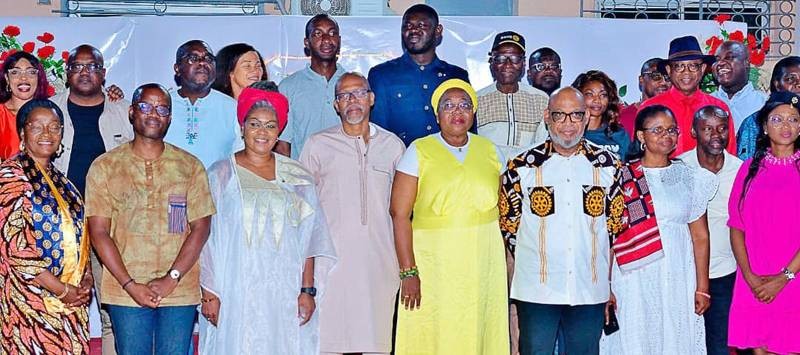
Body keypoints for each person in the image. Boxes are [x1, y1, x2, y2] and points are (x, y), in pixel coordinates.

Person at [198, 84, 336, 354]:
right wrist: (209, 292)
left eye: (270, 126)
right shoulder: (221, 174)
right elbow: (206, 239)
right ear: (242, 127)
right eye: (255, 124)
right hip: (234, 287)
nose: (262, 132)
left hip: (284, 289)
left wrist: (307, 290)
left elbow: (309, 237)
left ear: (279, 131)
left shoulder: (298, 176)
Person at [86, 83, 215, 355]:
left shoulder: (189, 166)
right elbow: (98, 232)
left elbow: (201, 227)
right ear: (132, 112)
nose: (153, 114)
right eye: (145, 106)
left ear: (170, 118)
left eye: (162, 108)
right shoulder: (105, 166)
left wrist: (172, 278)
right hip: (125, 291)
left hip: (178, 289)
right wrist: (130, 285)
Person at [390, 79, 508, 354]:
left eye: (464, 105)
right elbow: (399, 214)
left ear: (474, 113)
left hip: (483, 262)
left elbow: (503, 210)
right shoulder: (419, 150)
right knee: (435, 330)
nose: (457, 112)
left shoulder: (491, 151)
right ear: (437, 114)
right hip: (434, 264)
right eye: (448, 105)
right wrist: (409, 271)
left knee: (478, 328)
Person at [499, 87, 621, 355]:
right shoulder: (521, 166)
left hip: (589, 288)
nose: (568, 124)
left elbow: (613, 228)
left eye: (576, 115)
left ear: (586, 117)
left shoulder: (609, 165)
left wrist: (608, 284)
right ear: (547, 117)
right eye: (559, 115)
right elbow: (509, 228)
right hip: (537, 291)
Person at [300, 72, 403, 355]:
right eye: (344, 96)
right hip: (330, 267)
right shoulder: (317, 145)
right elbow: (303, 215)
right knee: (328, 344)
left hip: (380, 266)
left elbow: (403, 212)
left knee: (377, 344)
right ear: (336, 105)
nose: (352, 100)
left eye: (358, 93)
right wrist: (306, 281)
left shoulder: (393, 146)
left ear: (371, 99)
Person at [600, 104, 716, 354]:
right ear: (641, 136)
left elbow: (700, 236)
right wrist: (605, 285)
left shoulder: (690, 177)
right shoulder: (620, 177)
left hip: (677, 272)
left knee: (675, 334)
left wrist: (702, 287)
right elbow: (609, 237)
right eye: (658, 130)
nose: (667, 136)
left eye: (672, 130)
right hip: (632, 275)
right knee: (635, 333)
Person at [50, 44, 134, 355]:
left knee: (112, 310)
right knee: (58, 305)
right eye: (77, 66)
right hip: (59, 229)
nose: (85, 72)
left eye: (92, 66)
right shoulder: (50, 109)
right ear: (67, 72)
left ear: (104, 73)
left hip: (110, 227)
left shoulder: (124, 111)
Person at [0, 99, 93, 354]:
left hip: (69, 302)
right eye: (37, 126)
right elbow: (15, 247)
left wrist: (86, 278)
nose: (46, 133)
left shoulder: (62, 182)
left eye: (54, 126)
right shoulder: (9, 176)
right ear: (22, 132)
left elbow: (79, 235)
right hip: (28, 303)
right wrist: (60, 290)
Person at [727, 91, 800, 355]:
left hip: (794, 278)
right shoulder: (749, 169)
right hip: (754, 279)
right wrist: (749, 277)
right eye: (777, 119)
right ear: (765, 126)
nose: (785, 125)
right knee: (760, 348)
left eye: (793, 119)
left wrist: (784, 277)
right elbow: (736, 227)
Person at [678, 106, 743, 355]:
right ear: (694, 132)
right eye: (707, 129)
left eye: (722, 128)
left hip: (725, 273)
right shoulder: (680, 168)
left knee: (719, 346)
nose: (716, 135)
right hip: (685, 274)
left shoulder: (740, 170)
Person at [369, 4, 470, 146]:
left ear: (438, 31)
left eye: (421, 25)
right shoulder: (382, 75)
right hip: (400, 158)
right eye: (408, 26)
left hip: (448, 158)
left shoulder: (456, 76)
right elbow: (377, 134)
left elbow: (468, 133)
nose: (413, 30)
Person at [640, 35, 736, 156]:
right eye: (679, 66)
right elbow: (639, 155)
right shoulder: (650, 108)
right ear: (669, 70)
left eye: (693, 66)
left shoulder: (718, 108)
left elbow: (730, 156)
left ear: (703, 69)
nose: (686, 72)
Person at [275, 14, 346, 159]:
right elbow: (283, 146)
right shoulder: (288, 87)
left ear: (339, 41)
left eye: (332, 33)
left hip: (346, 171)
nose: (326, 39)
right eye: (318, 33)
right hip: (303, 171)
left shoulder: (353, 84)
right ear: (307, 43)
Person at [165, 39, 241, 168]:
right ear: (177, 68)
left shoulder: (232, 107)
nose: (202, 63)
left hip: (215, 181)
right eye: (193, 58)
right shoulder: (162, 104)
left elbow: (241, 155)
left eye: (208, 59)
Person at [477, 31, 548, 158]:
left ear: (523, 63)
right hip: (487, 168)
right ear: (492, 62)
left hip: (528, 168)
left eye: (515, 58)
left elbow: (542, 145)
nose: (508, 65)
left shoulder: (541, 100)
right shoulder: (477, 100)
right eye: (500, 58)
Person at [737, 55, 800, 159]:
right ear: (777, 84)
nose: (798, 84)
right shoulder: (754, 122)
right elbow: (745, 162)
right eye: (790, 79)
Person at [0, 51, 50, 159]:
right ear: (7, 78)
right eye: (15, 72)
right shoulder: (1, 115)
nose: (23, 78)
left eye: (31, 72)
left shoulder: (50, 114)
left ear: (38, 78)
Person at [571, 70, 630, 160]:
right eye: (590, 94)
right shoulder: (569, 133)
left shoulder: (619, 134)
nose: (597, 100)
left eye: (603, 95)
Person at [712, 41, 768, 130]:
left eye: (729, 58)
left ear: (746, 63)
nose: (720, 63)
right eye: (717, 60)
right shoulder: (705, 102)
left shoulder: (764, 103)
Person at [618, 58, 672, 137]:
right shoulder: (621, 118)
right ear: (641, 80)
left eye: (668, 78)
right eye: (656, 76)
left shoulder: (679, 116)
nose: (663, 82)